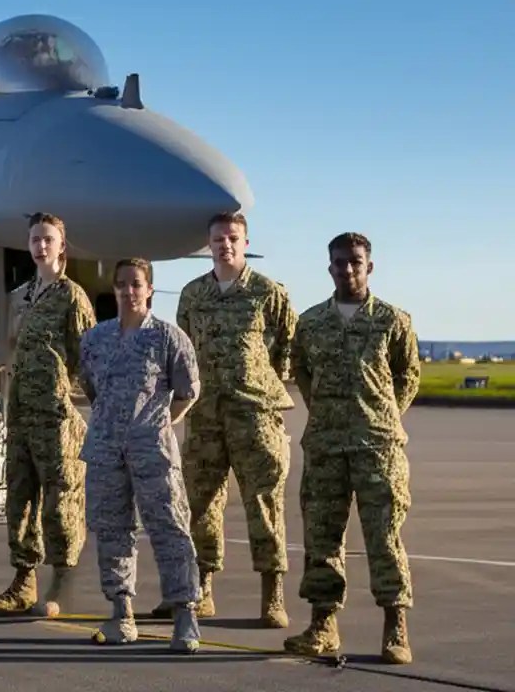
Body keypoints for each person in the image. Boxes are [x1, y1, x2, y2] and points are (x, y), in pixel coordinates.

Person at [155, 212, 297, 627]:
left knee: (265, 505)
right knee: (200, 505)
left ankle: (272, 595)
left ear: (246, 241)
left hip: (255, 415)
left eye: (233, 238)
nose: (225, 246)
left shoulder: (268, 293)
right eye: (218, 239)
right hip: (205, 418)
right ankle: (201, 591)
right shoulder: (193, 294)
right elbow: (181, 352)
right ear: (209, 245)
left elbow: (289, 346)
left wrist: (264, 385)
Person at [285, 233, 419, 665]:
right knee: (322, 537)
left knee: (384, 538)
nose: (347, 269)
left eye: (355, 262)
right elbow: (301, 370)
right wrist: (326, 411)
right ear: (329, 268)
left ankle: (395, 626)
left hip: (378, 447)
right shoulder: (310, 323)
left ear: (369, 267)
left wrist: (380, 415)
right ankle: (323, 625)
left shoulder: (393, 321)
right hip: (325, 445)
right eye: (339, 262)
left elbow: (407, 376)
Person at [79, 258, 202, 653]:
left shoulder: (168, 337)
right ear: (114, 290)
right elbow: (92, 388)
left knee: (170, 528)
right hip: (105, 449)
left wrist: (158, 422)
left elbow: (187, 392)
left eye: (136, 284)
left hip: (152, 450)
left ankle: (184, 613)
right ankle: (121, 612)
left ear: (149, 289)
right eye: (122, 285)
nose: (129, 291)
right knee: (112, 531)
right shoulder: (96, 339)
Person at [0, 213, 95, 617]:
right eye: (35, 239)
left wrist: (83, 409)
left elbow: (88, 358)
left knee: (61, 501)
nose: (41, 246)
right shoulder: (19, 297)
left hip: (56, 414)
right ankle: (23, 582)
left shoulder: (72, 297)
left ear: (62, 245)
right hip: (21, 413)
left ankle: (61, 583)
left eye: (48, 239)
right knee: (19, 500)